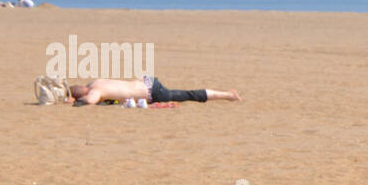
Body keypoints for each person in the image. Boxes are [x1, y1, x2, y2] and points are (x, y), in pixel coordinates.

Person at [67, 76, 242, 106]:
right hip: (147, 82)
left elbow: (89, 101)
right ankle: (227, 94)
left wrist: (75, 102)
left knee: (189, 95)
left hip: (151, 93)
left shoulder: (94, 92)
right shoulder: (96, 82)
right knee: (186, 94)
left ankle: (228, 95)